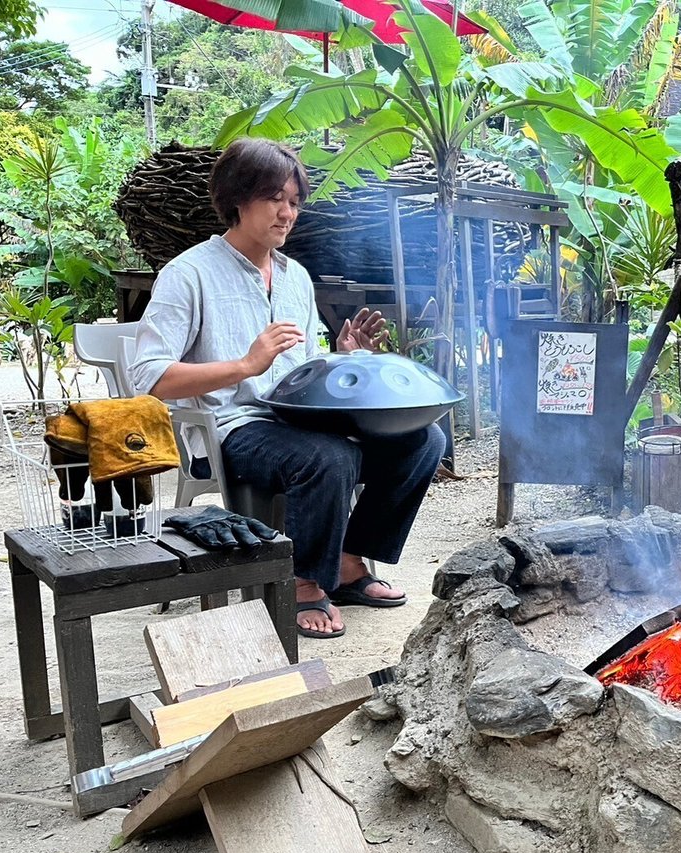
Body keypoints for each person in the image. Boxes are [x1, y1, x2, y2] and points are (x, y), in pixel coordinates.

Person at [130, 137, 445, 639]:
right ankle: (301, 582)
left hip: (297, 422)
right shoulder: (187, 274)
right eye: (275, 198)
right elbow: (147, 376)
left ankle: (344, 562)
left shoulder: (295, 276)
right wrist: (244, 364)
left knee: (424, 440)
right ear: (238, 197)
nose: (287, 213)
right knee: (329, 456)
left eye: (295, 202)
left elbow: (299, 370)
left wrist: (341, 357)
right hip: (230, 427)